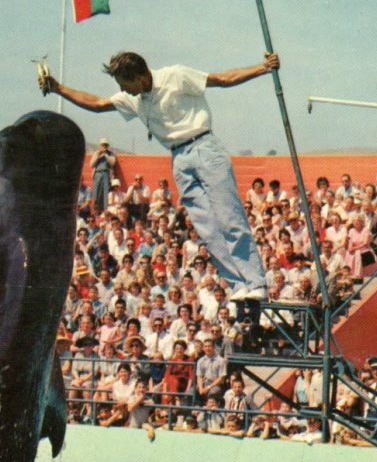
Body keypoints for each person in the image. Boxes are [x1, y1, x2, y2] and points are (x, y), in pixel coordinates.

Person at [40, 49, 279, 305]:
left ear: (140, 76)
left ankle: (256, 283)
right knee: (207, 229)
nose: (123, 90)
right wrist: (58, 88)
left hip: (205, 148)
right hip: (178, 159)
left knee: (229, 218)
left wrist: (262, 68)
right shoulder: (134, 100)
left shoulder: (175, 75)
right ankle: (239, 285)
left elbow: (221, 79)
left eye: (125, 84)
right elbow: (98, 104)